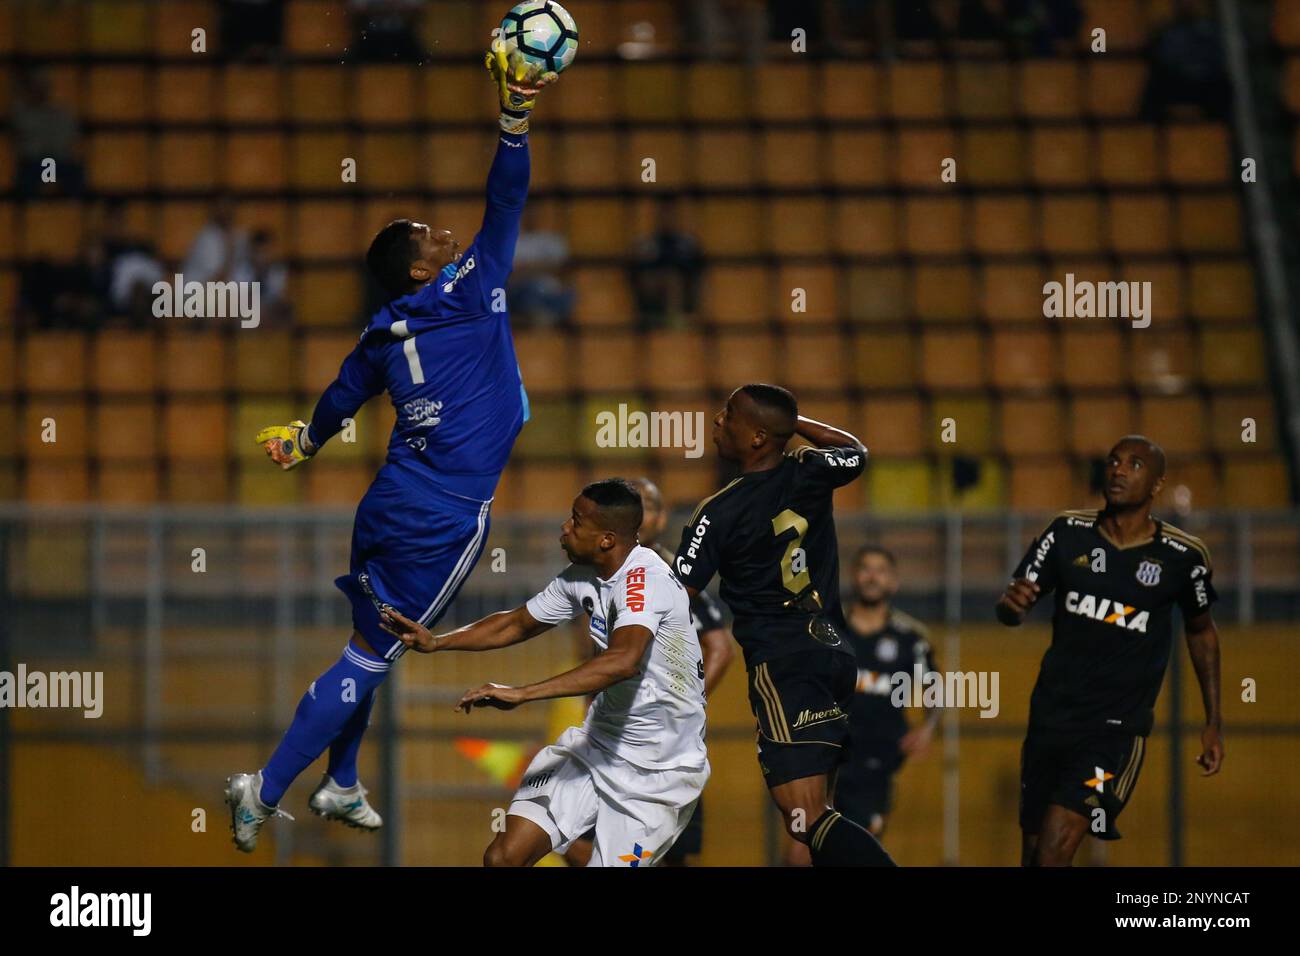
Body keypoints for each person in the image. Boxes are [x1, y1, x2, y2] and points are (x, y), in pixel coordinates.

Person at [223, 42, 557, 852]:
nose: (445, 234)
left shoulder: (380, 333)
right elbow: (505, 198)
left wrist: (304, 442)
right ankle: (263, 789)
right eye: (427, 235)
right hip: (442, 515)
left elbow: (341, 395)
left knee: (368, 644)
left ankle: (339, 784)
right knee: (369, 657)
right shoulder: (474, 285)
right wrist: (513, 117)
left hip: (389, 499)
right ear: (415, 265)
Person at [381, 479, 709, 867]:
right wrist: (438, 642)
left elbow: (624, 660)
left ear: (606, 539)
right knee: (503, 857)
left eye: (576, 521)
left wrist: (523, 693)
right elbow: (518, 623)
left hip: (659, 773)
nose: (564, 528)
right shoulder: (584, 575)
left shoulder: (643, 580)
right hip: (596, 747)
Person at [672, 383, 895, 866]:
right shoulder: (809, 471)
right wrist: (792, 426)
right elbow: (855, 452)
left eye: (728, 415)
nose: (716, 420)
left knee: (805, 817)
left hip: (784, 661)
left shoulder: (718, 512)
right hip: (835, 654)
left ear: (755, 437)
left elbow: (676, 600)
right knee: (820, 816)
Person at [997, 435, 1224, 866]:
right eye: (1113, 462)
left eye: (1135, 464)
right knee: (1032, 855)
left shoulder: (1183, 556)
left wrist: (1214, 720)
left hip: (1114, 730)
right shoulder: (1066, 532)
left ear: (1157, 484)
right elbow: (1011, 607)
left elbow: (1202, 632)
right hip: (1050, 718)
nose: (1119, 470)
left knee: (1053, 852)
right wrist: (1009, 607)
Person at [563, 476, 735, 867]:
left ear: (658, 520)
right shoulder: (596, 573)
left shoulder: (677, 577)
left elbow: (722, 648)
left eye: (651, 506)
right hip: (607, 733)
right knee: (569, 836)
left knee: (664, 851)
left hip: (662, 742)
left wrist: (683, 702)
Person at [787, 545, 937, 865]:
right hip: (822, 753)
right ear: (854, 576)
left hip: (875, 760)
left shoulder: (911, 638)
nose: (872, 577)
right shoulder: (828, 629)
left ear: (893, 582)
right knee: (801, 849)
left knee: (854, 844)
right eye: (865, 569)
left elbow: (932, 688)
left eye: (880, 570)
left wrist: (928, 728)